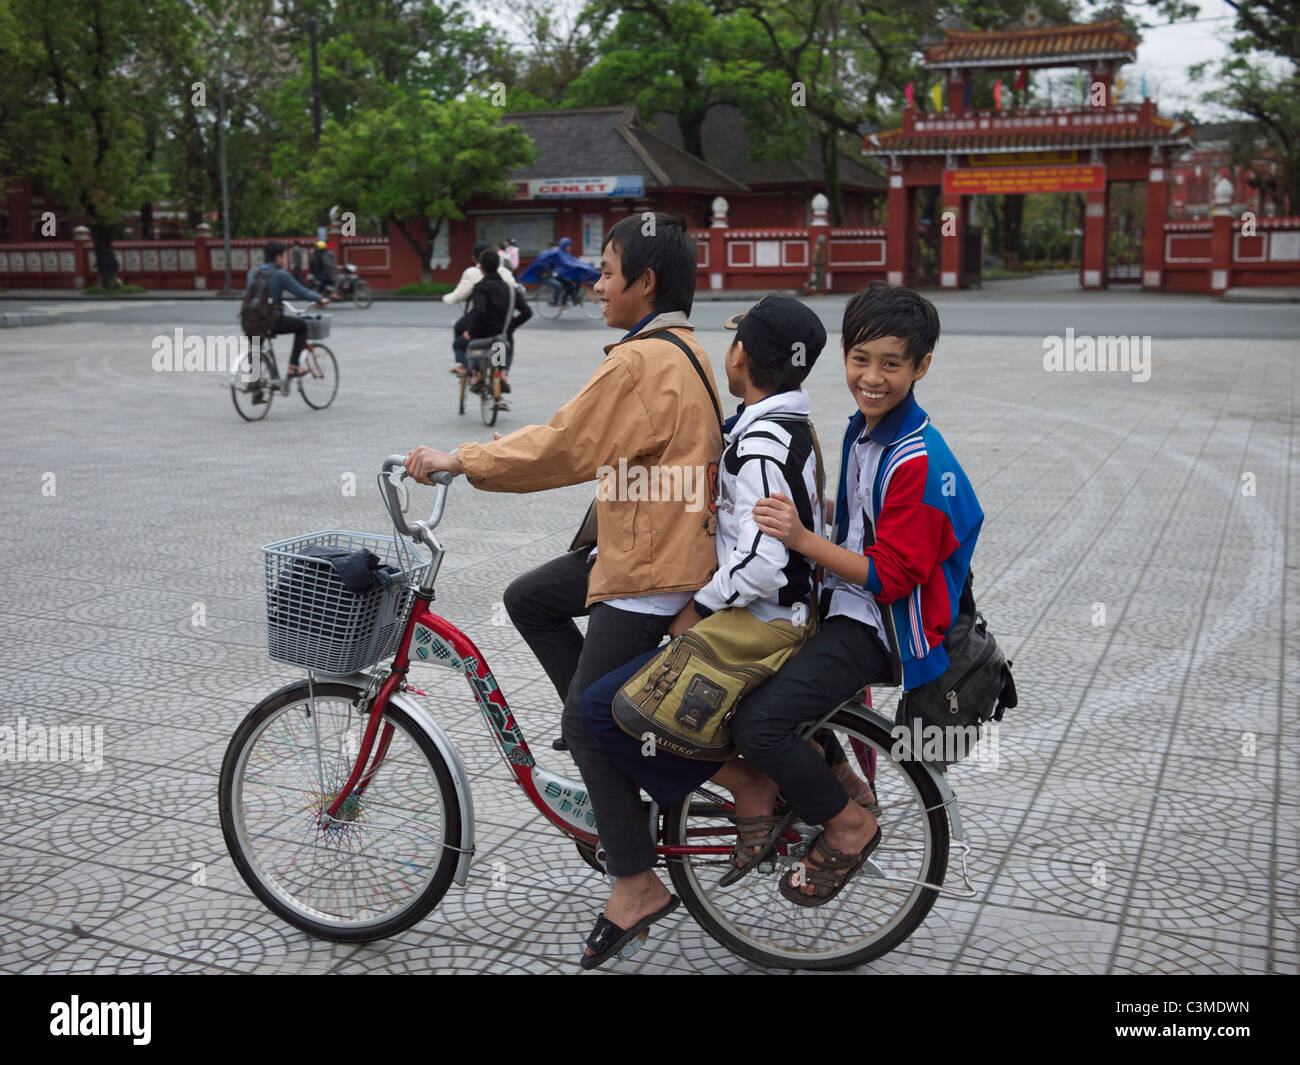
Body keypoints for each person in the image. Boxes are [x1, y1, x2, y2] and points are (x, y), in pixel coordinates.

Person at [404, 213, 721, 965]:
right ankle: (600, 745)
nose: (597, 285)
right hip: (650, 541)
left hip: (651, 566)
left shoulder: (642, 361)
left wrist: (461, 460)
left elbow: (562, 445)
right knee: (531, 597)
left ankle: (636, 879)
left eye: (608, 272)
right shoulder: (685, 348)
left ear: (645, 283)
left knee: (588, 719)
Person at [575, 296, 829, 965]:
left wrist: (702, 606)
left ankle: (745, 784)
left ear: (742, 354)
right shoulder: (775, 425)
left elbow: (766, 560)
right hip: (773, 613)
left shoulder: (763, 444)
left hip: (761, 624)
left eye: (736, 339)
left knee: (600, 712)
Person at [742, 281, 983, 906]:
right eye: (860, 359)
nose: (871, 377)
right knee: (747, 674)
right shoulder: (866, 427)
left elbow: (891, 576)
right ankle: (845, 778)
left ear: (921, 367)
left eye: (891, 364)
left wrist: (797, 535)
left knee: (758, 725)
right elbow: (860, 518)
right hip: (845, 604)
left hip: (882, 628)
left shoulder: (921, 461)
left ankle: (849, 828)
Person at [244, 240, 330, 379]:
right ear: (278, 257)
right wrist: (319, 299)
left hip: (249, 319)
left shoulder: (253, 272)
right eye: (284, 256)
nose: (285, 260)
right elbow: (301, 292)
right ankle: (293, 367)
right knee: (301, 326)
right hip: (271, 321)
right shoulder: (280, 274)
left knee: (256, 343)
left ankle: (254, 382)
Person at [461, 248, 532, 400]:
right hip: (501, 337)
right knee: (501, 352)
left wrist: (471, 332)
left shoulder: (480, 287)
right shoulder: (510, 289)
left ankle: (478, 375)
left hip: (481, 338)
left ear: (481, 267)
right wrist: (510, 326)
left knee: (471, 350)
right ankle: (502, 374)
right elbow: (527, 312)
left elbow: (478, 312)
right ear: (499, 265)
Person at [442, 240, 516, 375]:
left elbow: (460, 295)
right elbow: (516, 294)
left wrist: (446, 298)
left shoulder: (473, 273)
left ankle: (467, 367)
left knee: (459, 330)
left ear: (475, 259)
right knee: (506, 339)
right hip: (503, 320)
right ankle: (500, 372)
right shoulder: (505, 273)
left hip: (480, 320)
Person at [517, 236, 597, 307]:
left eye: (570, 246)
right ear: (564, 246)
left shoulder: (567, 254)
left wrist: (585, 266)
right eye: (568, 246)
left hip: (566, 274)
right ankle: (564, 301)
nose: (569, 248)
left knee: (576, 282)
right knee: (568, 285)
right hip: (559, 275)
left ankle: (570, 299)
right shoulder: (558, 254)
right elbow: (568, 263)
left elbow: (575, 261)